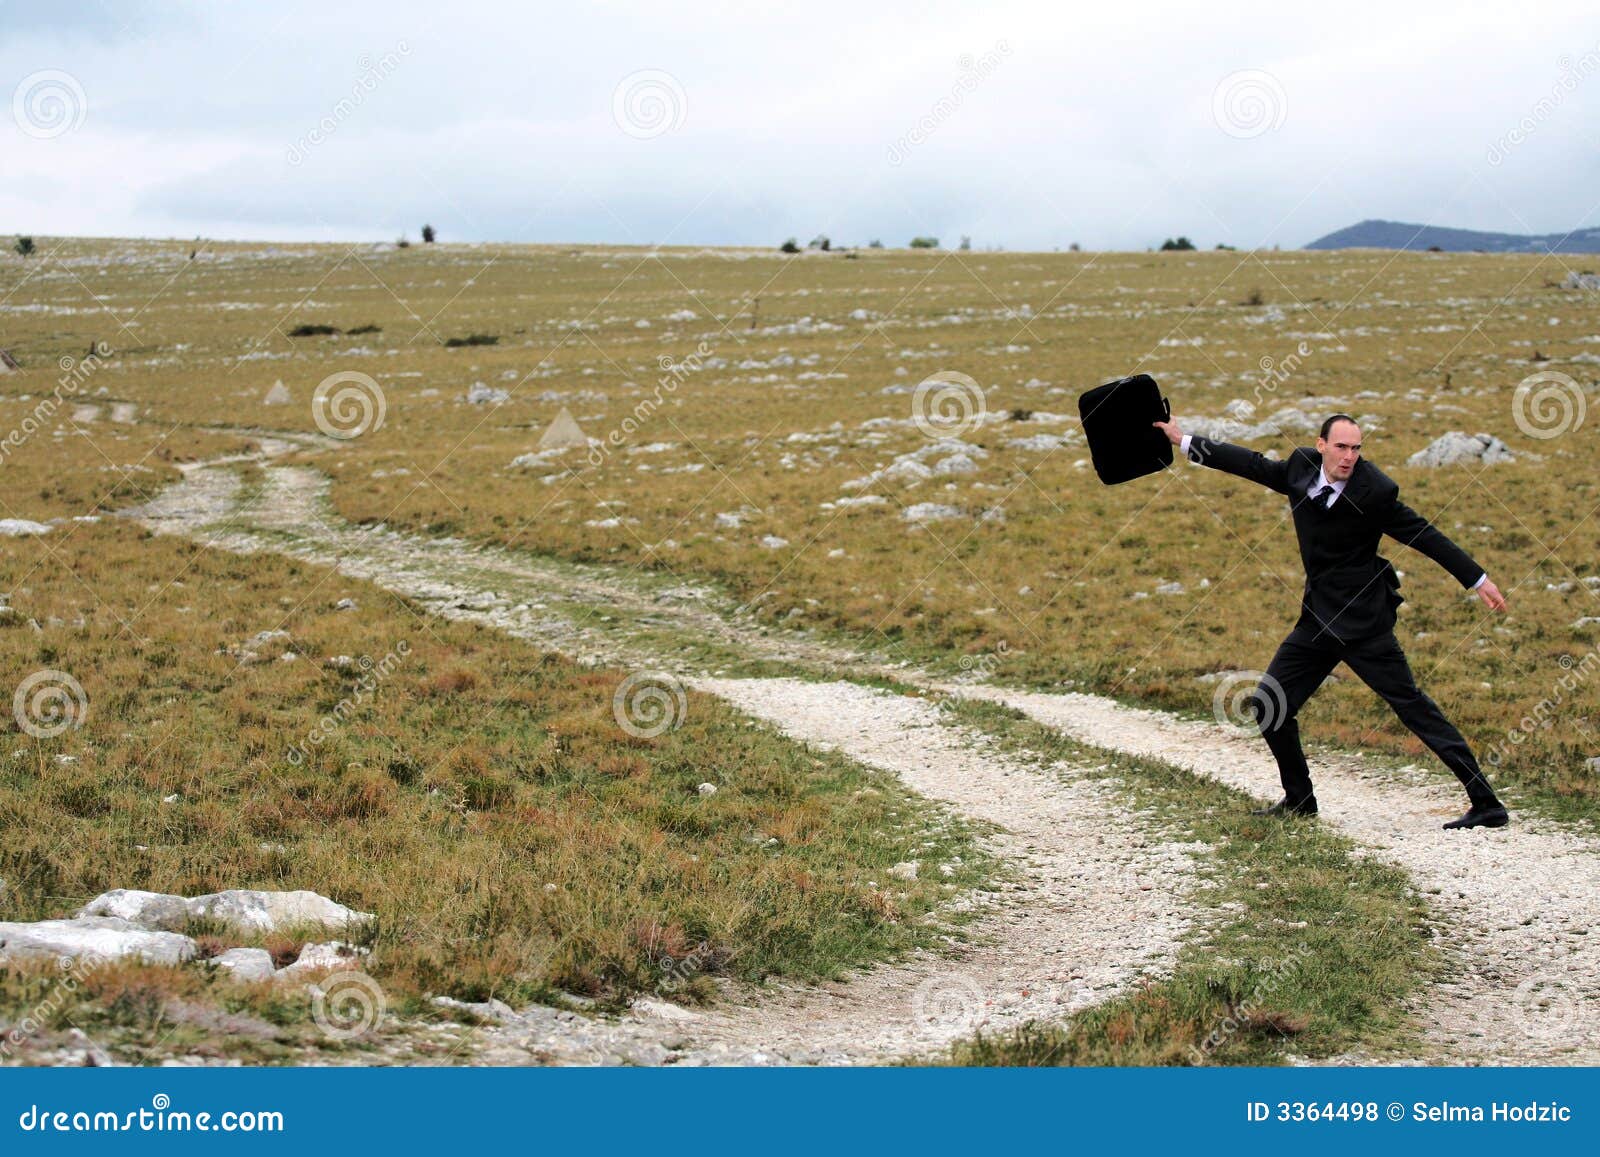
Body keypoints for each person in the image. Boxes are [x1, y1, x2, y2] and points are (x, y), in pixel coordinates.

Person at [1151, 413, 1510, 830]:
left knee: (1413, 708)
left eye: (1356, 448)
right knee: (1270, 705)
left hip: (1363, 623)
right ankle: (1300, 800)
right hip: (1318, 620)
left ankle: (1486, 803)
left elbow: (1423, 534)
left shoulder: (1375, 491)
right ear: (1322, 445)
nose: (1349, 456)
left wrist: (1477, 578)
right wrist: (1183, 440)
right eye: (1341, 447)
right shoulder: (1300, 469)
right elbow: (1250, 464)